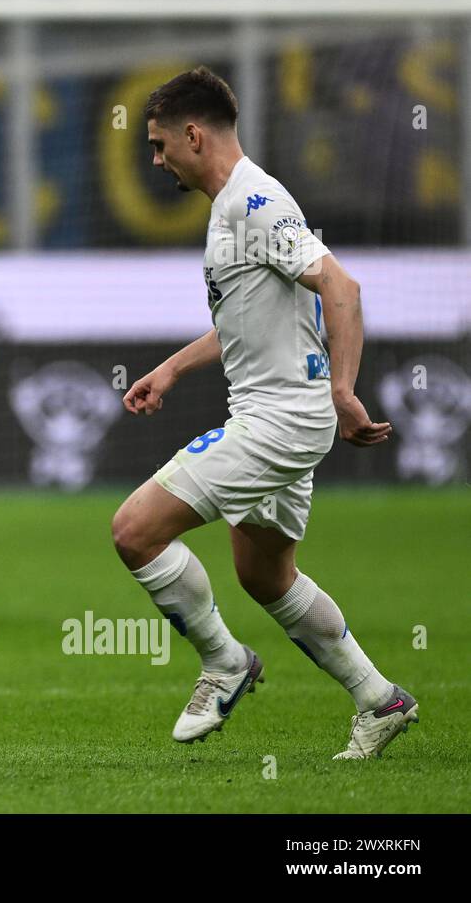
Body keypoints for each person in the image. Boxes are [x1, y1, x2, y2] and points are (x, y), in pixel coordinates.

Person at [112, 66, 417, 759]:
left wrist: (345, 389)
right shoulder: (231, 209)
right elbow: (250, 318)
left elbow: (340, 285)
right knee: (264, 576)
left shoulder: (254, 203)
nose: (156, 161)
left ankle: (224, 662)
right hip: (285, 414)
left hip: (279, 418)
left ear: (195, 135)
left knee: (134, 531)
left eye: (160, 146)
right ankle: (381, 699)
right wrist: (172, 367)